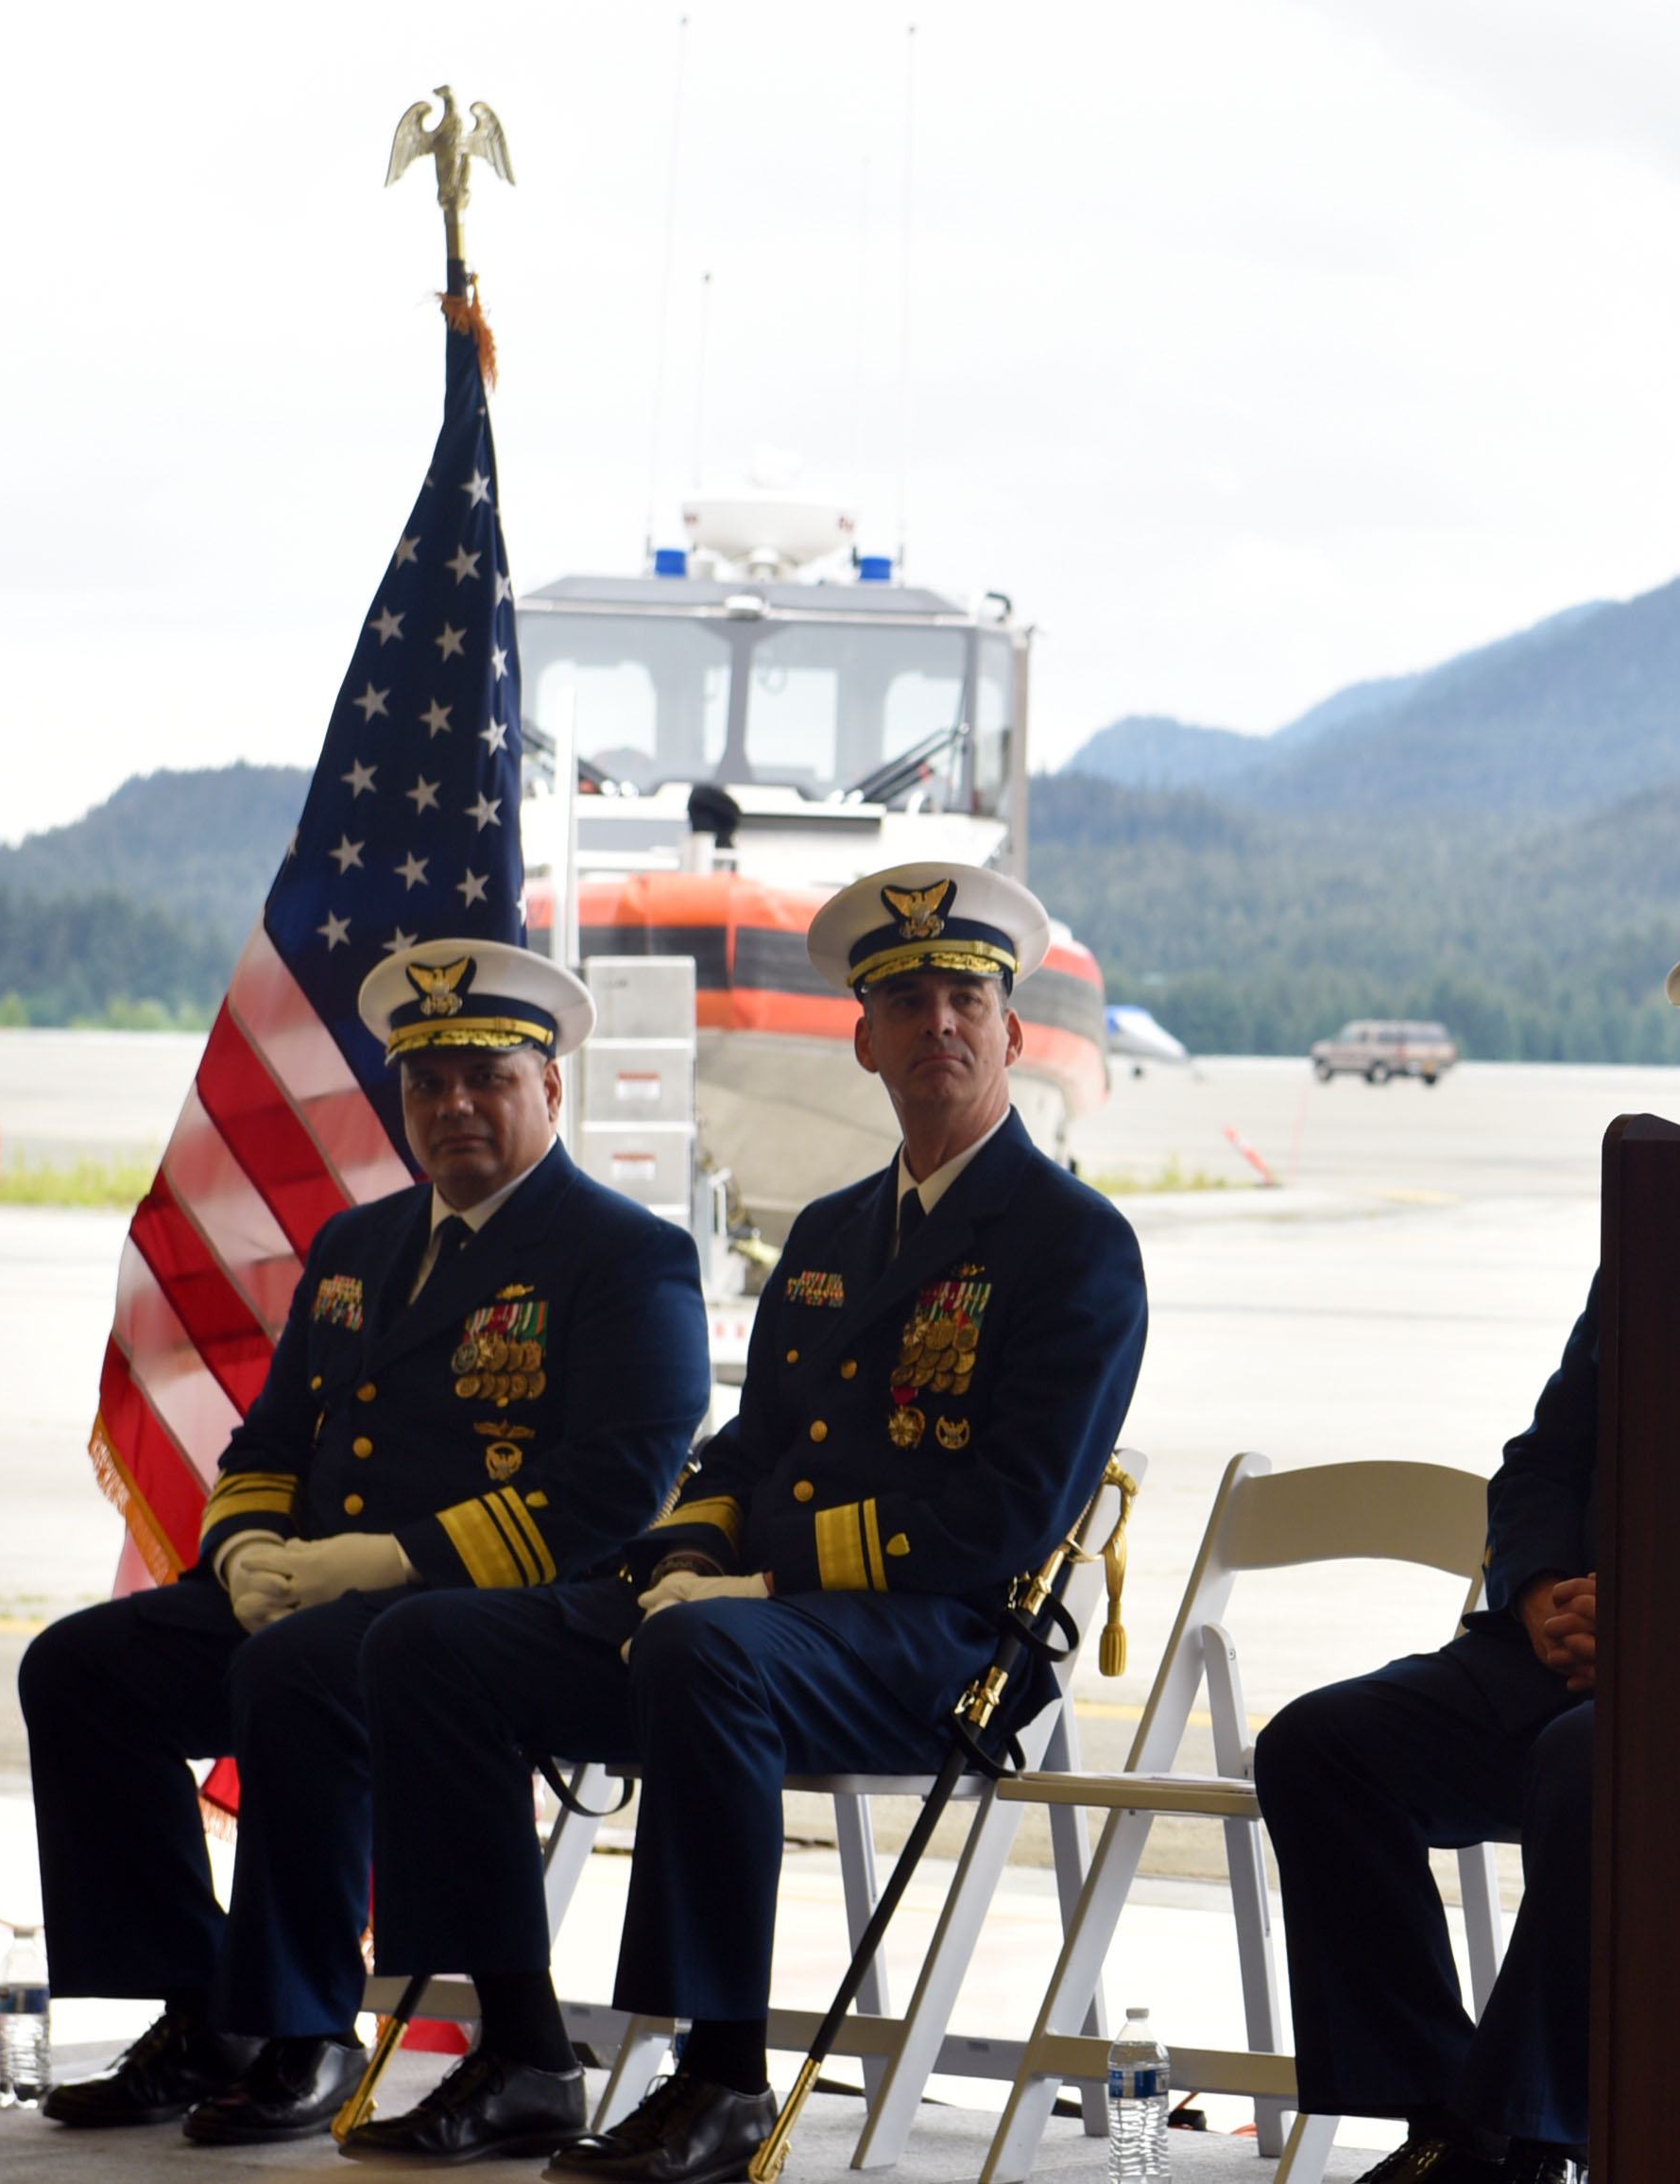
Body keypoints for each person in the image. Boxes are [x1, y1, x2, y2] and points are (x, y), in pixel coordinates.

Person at [345, 865, 1149, 2182]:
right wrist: (685, 1554)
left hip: (944, 1642)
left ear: (1011, 1032)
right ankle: (527, 2050)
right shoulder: (832, 1234)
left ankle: (717, 2076)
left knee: (699, 1656)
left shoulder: (1074, 1244)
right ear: (864, 1039)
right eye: (905, 1001)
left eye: (966, 997)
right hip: (760, 1626)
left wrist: (758, 1583)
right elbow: (750, 1447)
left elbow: (1006, 1512)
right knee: (429, 1643)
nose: (936, 1021)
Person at [1253, 925, 1680, 2184]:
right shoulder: (1663, 1241)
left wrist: (1673, 1634)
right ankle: (1438, 2113)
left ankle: (1513, 2143)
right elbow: (1543, 1462)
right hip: (1577, 1654)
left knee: (1584, 1766)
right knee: (1319, 1747)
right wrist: (1536, 1588)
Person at [23, 941, 708, 2141]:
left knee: (299, 1672)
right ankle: (207, 2007)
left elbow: (615, 1488)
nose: (452, 1107)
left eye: (486, 1077)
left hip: (486, 1611)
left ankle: (308, 2030)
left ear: (552, 1088)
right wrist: (245, 1557)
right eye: (426, 1083)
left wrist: (381, 1564)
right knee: (80, 1669)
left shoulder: (626, 1256)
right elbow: (271, 1444)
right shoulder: (360, 1245)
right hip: (306, 1592)